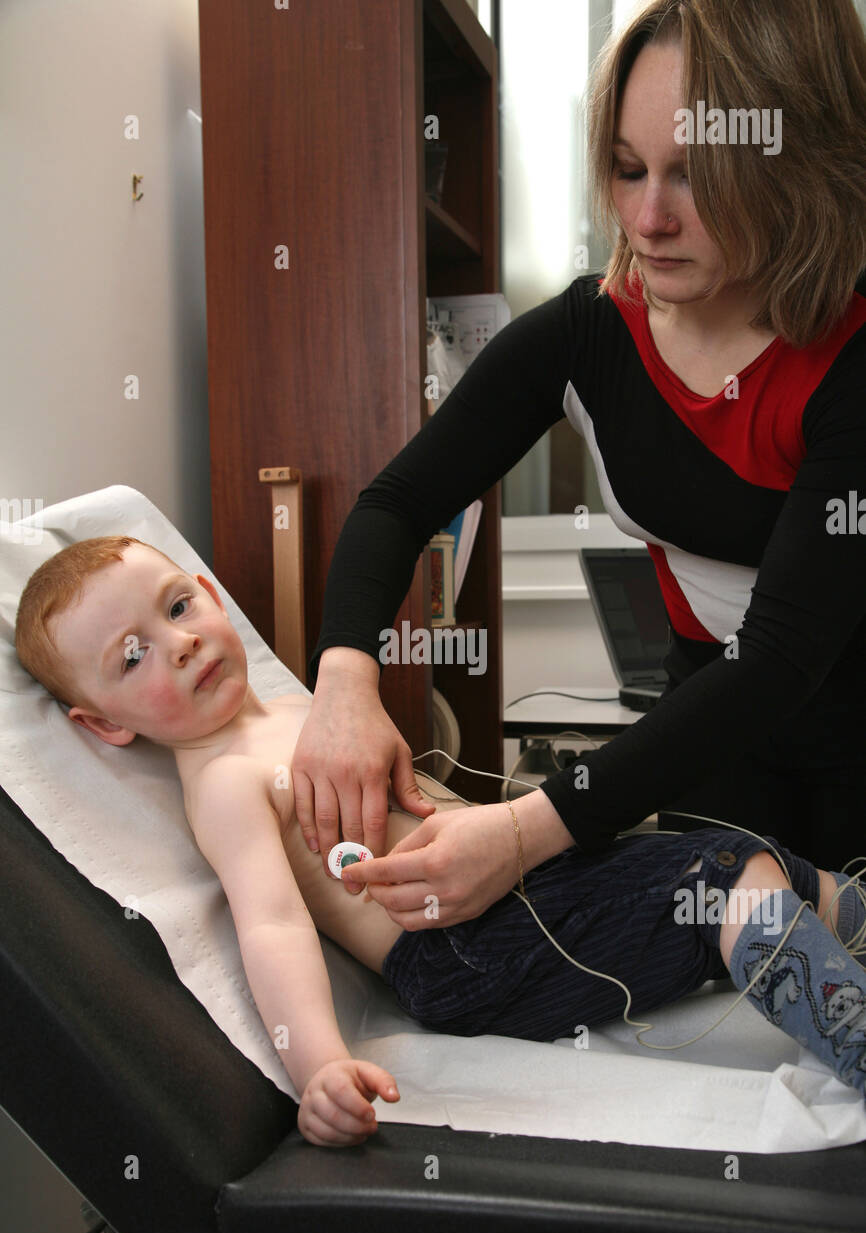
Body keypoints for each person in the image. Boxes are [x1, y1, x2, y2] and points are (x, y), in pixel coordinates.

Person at [291, 0, 866, 943]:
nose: (647, 218)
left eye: (695, 178)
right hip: (710, 740)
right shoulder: (591, 333)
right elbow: (399, 502)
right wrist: (345, 679)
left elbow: (778, 661)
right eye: (629, 170)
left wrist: (523, 831)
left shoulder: (847, 361)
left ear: (795, 166)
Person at [13, 537, 866, 1148]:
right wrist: (317, 1066)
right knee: (722, 879)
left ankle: (851, 923)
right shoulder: (227, 782)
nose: (182, 641)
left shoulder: (302, 710)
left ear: (206, 587)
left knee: (748, 856)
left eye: (177, 606)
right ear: (103, 726)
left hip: (518, 895)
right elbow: (269, 924)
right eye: (134, 657)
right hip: (464, 953)